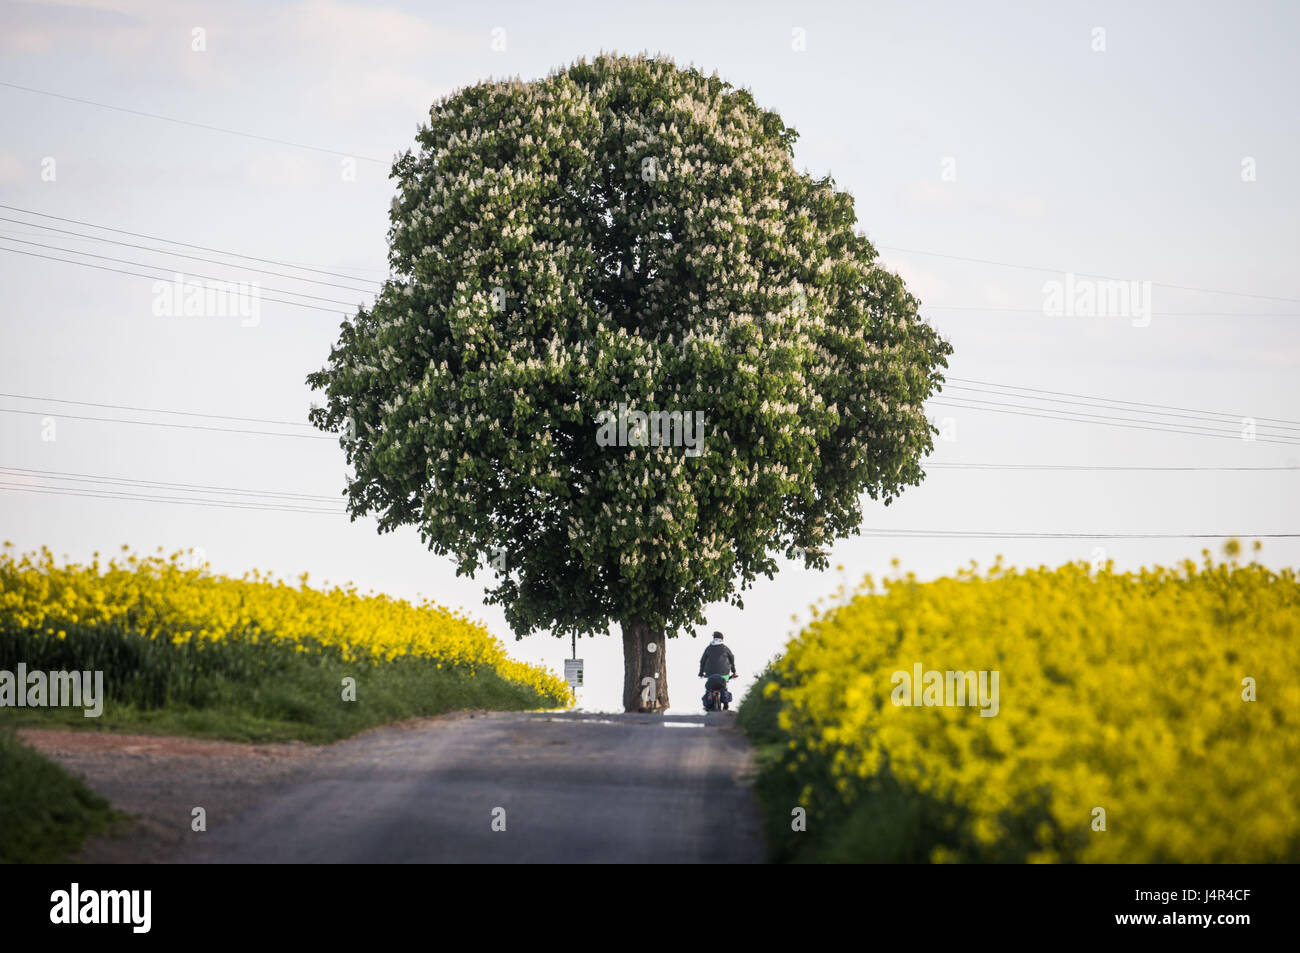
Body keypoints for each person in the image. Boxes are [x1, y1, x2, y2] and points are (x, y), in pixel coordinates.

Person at [699, 631, 736, 711]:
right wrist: (734, 671)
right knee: (724, 685)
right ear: (722, 639)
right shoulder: (725, 648)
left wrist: (701, 673)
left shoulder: (708, 648)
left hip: (710, 674)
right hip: (724, 674)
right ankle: (726, 704)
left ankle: (708, 701)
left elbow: (702, 661)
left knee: (709, 687)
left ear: (713, 638)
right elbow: (732, 659)